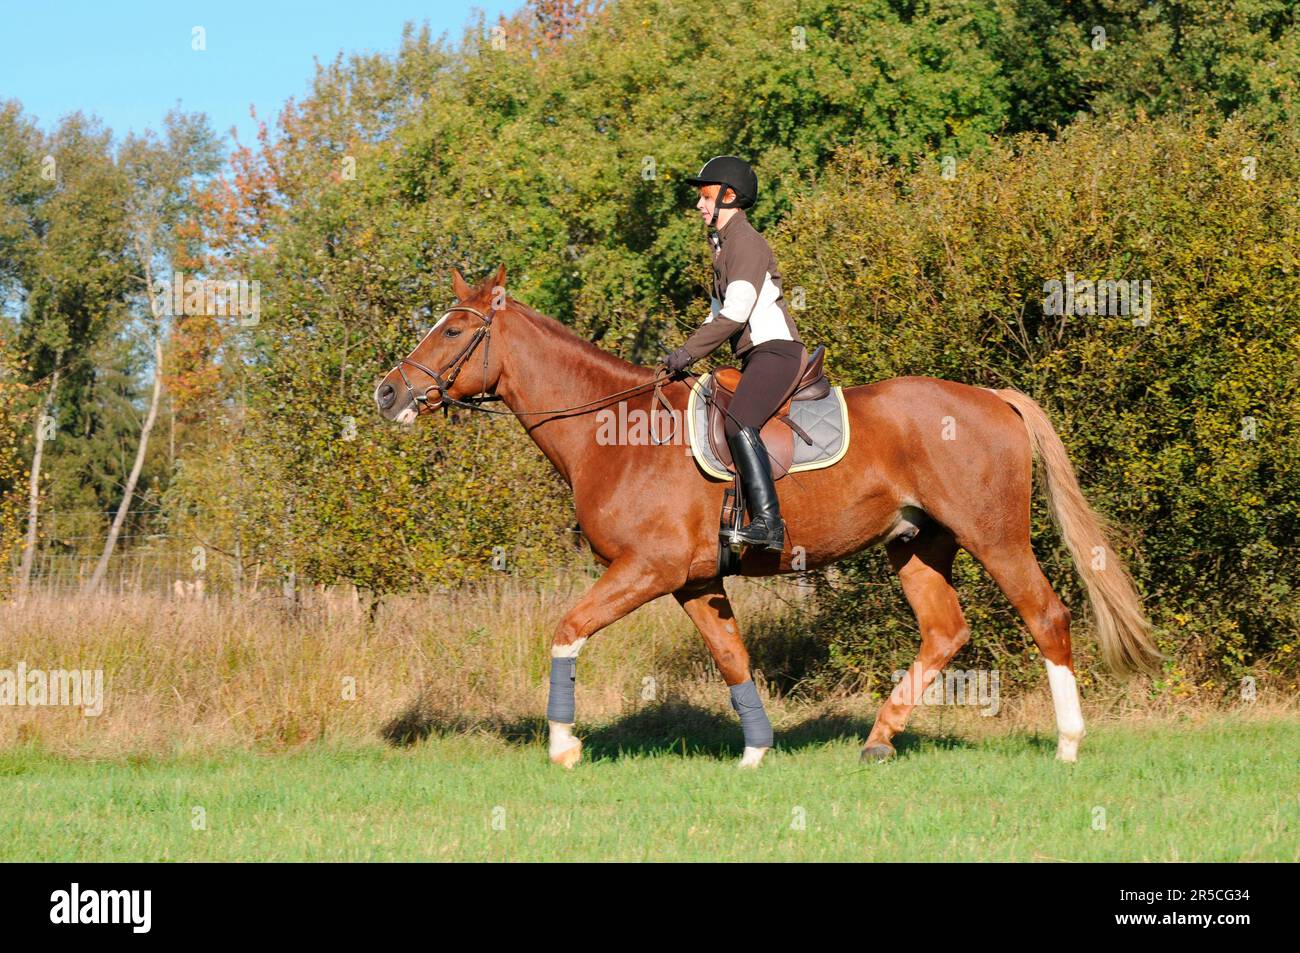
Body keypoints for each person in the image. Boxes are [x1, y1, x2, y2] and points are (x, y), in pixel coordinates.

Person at [662, 155, 807, 552]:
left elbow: (734, 315)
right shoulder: (722, 248)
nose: (699, 205)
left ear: (729, 196)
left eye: (705, 196)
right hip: (755, 355)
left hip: (776, 352)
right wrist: (681, 359)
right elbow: (715, 319)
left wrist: (686, 354)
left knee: (738, 423)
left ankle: (768, 523)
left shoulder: (745, 242)